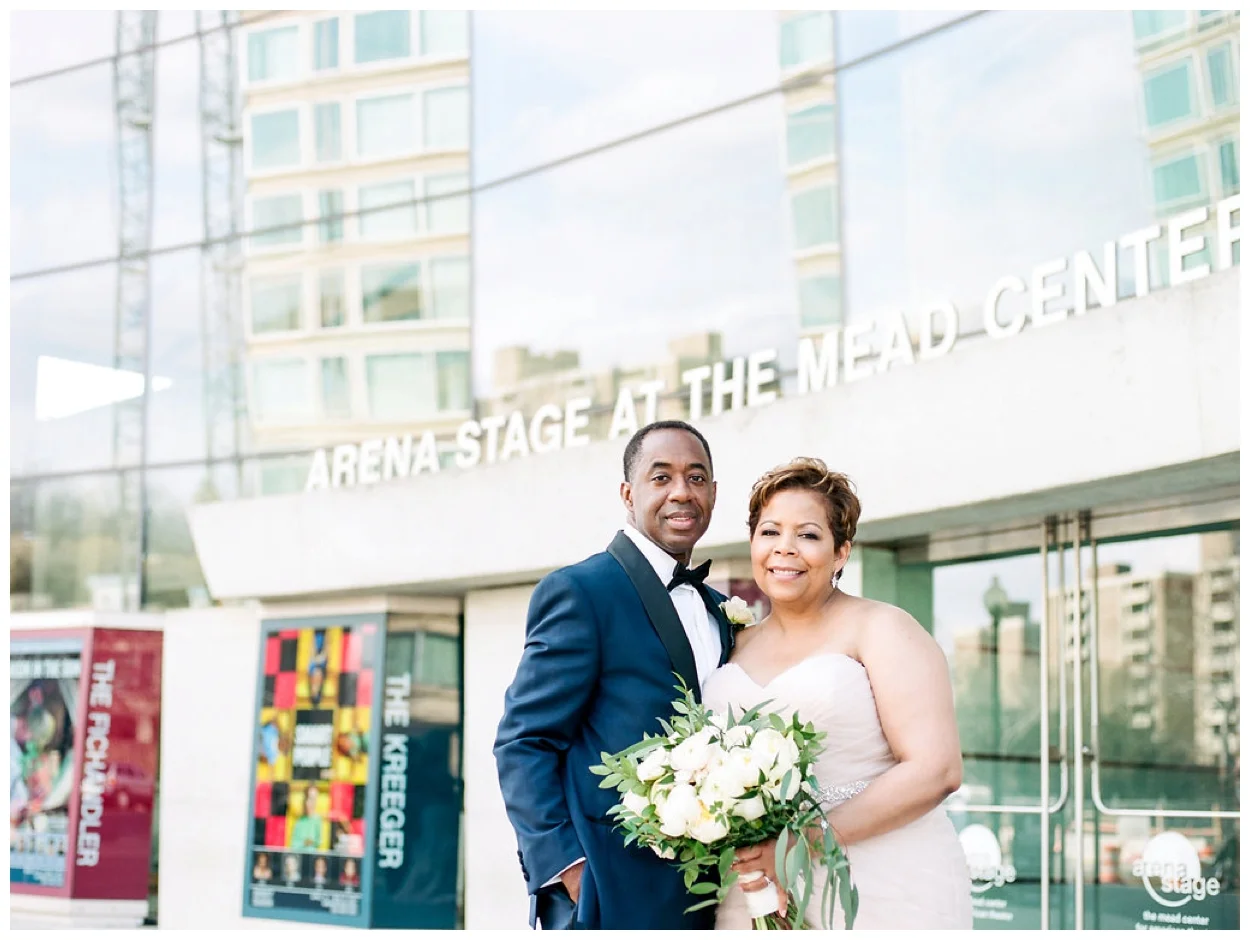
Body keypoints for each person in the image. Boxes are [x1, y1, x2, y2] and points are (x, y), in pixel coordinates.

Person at [705, 458, 972, 928]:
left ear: (841, 552)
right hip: (753, 887)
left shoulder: (883, 628)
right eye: (769, 532)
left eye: (807, 535)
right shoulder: (732, 642)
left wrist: (795, 845)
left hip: (879, 882)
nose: (784, 549)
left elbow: (937, 770)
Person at [495, 420, 735, 930]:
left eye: (696, 478)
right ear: (628, 493)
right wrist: (567, 870)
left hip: (709, 894)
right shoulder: (582, 591)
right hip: (612, 891)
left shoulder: (720, 609)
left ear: (713, 494)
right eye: (661, 477)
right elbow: (524, 741)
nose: (681, 493)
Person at [290, 785, 324, 850]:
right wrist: (304, 843)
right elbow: (294, 844)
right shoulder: (299, 820)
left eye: (315, 799)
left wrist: (312, 842)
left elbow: (319, 841)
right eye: (310, 798)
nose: (312, 802)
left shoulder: (318, 819)